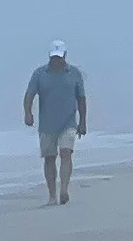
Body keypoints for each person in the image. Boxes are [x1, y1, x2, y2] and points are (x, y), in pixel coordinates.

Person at [23, 44, 88, 204]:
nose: (56, 60)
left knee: (66, 152)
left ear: (64, 56)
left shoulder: (74, 74)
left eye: (59, 57)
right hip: (47, 124)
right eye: (53, 57)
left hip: (68, 122)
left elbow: (81, 98)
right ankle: (52, 195)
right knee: (49, 158)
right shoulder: (40, 74)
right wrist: (28, 113)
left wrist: (83, 122)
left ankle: (64, 190)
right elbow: (29, 95)